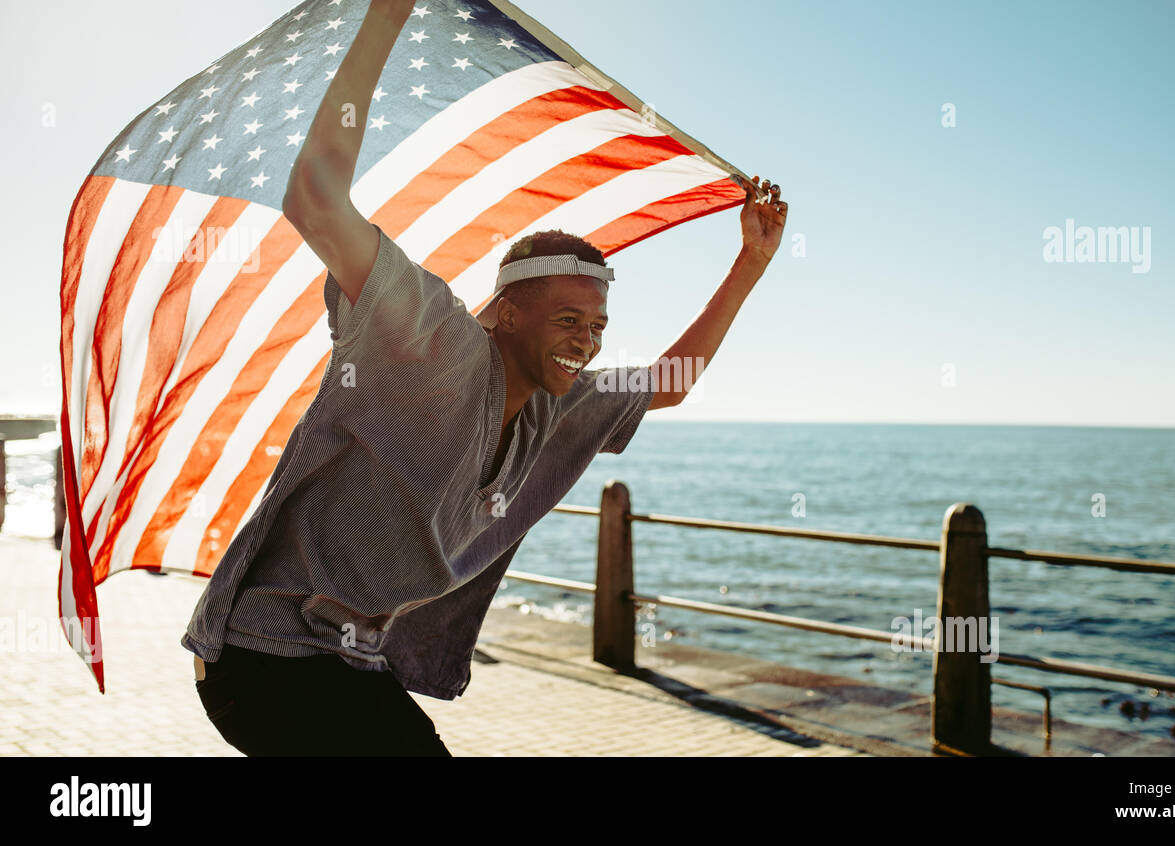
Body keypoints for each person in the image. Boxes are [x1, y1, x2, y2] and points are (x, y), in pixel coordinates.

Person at [181, 0, 788, 756]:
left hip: (349, 663)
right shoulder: (431, 339)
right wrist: (385, 18)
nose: (587, 341)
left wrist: (750, 264)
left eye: (597, 326)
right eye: (569, 320)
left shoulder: (560, 408)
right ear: (504, 312)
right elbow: (314, 199)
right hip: (261, 654)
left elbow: (675, 379)